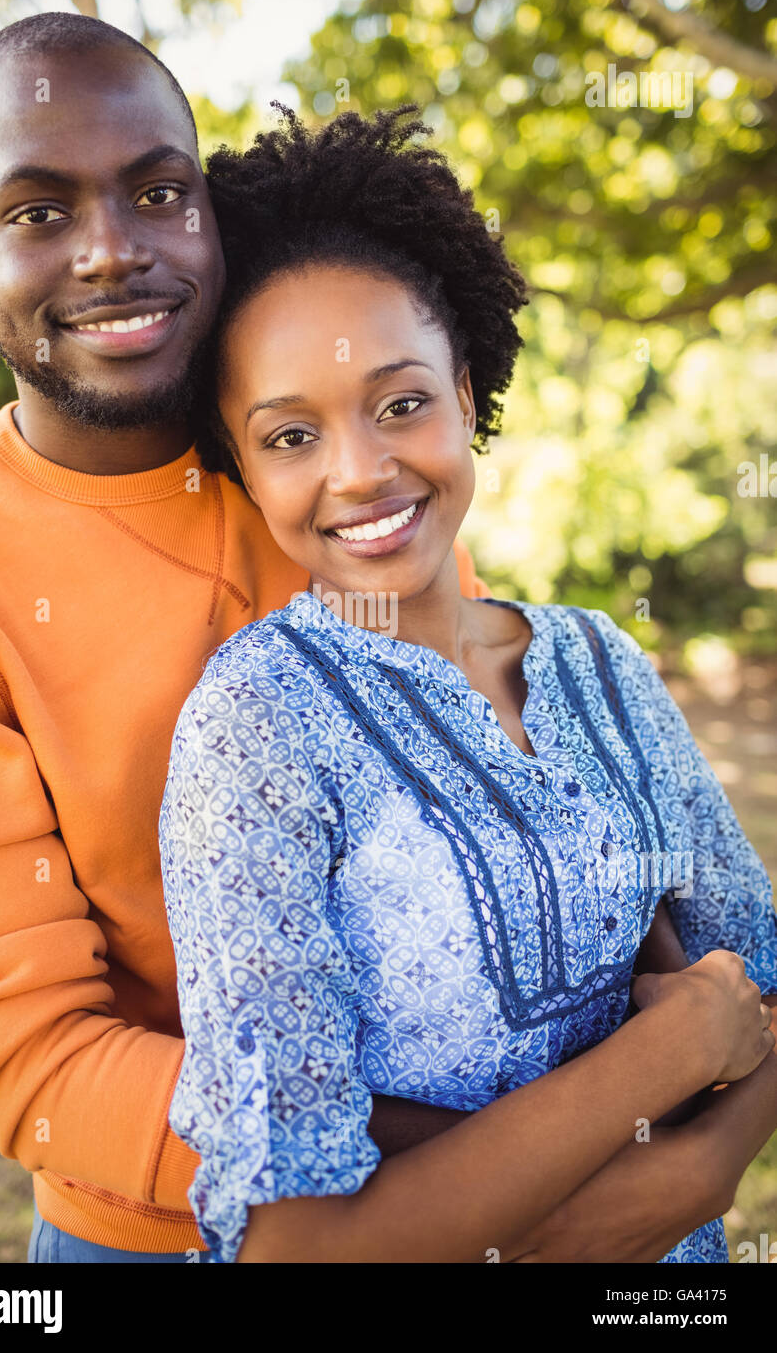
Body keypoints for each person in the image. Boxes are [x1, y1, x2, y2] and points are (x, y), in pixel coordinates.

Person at [0, 14, 488, 1263]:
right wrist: (502, 1143)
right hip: (163, 1224)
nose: (112, 251)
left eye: (158, 192)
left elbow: (493, 799)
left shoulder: (332, 461)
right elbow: (39, 1059)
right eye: (37, 213)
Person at [158, 106, 777, 1263]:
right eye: (291, 436)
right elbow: (292, 1243)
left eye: (400, 402)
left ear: (467, 385)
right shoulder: (253, 727)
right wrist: (663, 1062)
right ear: (237, 461)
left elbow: (755, 980)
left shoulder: (596, 658)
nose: (360, 471)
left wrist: (703, 1167)